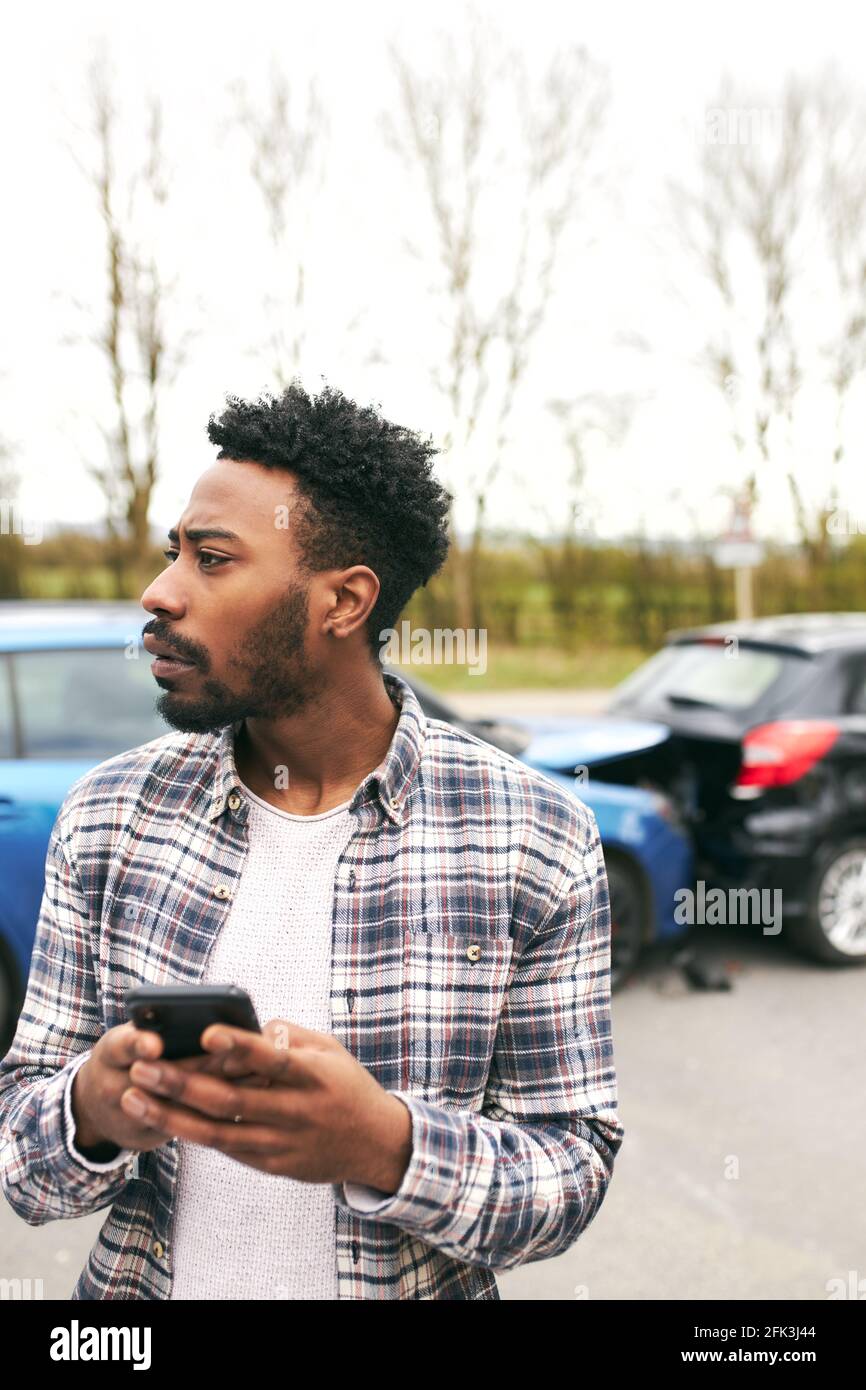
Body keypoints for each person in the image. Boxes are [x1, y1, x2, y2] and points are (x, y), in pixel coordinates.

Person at [0, 379, 624, 1300]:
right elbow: (23, 1161)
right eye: (173, 552)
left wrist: (385, 1144)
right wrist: (93, 1106)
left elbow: (571, 1170)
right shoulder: (108, 816)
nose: (159, 591)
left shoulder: (532, 837)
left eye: (211, 560)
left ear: (344, 602)